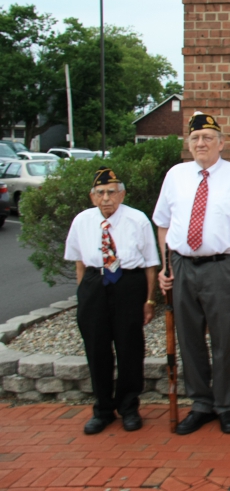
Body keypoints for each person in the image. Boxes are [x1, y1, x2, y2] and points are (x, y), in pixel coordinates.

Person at [153, 112, 230, 434]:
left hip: (222, 270)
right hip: (182, 268)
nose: (201, 143)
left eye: (207, 138)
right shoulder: (175, 175)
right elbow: (162, 223)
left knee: (224, 341)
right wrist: (165, 265)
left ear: (221, 142)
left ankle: (225, 406)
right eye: (195, 139)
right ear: (188, 144)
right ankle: (201, 404)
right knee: (189, 341)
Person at [65, 167, 159, 435]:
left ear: (122, 194)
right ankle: (103, 410)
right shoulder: (82, 221)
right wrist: (83, 295)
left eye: (112, 192)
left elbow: (151, 264)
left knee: (130, 347)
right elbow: (80, 262)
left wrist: (149, 301)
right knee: (96, 349)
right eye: (100, 193)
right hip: (95, 285)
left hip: (128, 284)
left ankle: (129, 407)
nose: (106, 198)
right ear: (92, 196)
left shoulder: (137, 220)